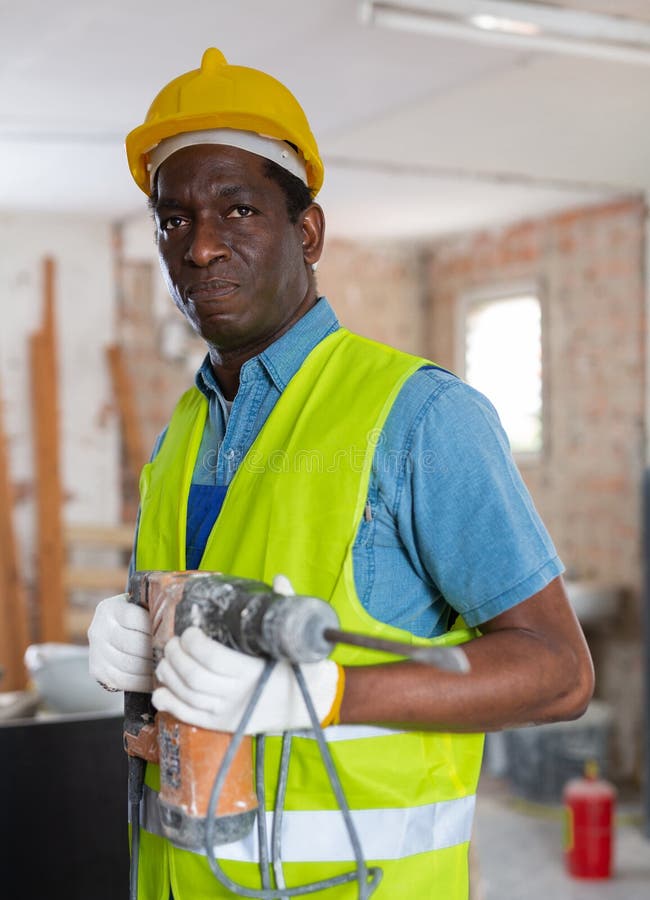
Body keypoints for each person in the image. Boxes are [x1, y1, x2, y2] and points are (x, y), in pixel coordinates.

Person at [88, 47, 594, 900]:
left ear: (308, 232)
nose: (201, 247)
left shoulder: (420, 417)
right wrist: (137, 639)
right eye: (174, 220)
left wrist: (326, 692)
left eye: (238, 209)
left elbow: (560, 672)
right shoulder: (182, 433)